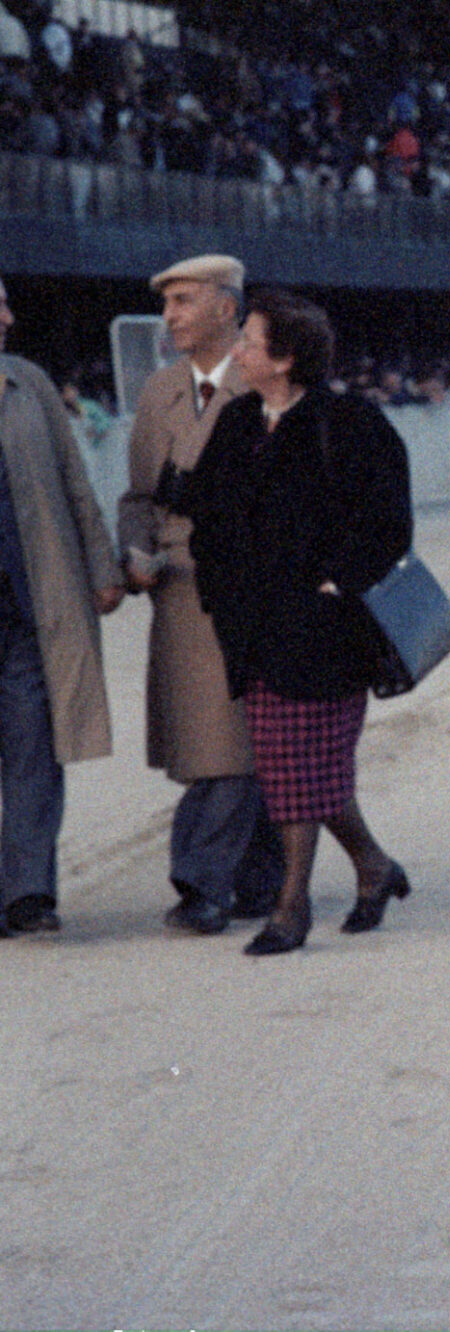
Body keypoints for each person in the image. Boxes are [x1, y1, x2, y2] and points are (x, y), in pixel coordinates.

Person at [171, 287, 412, 957]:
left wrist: (335, 587)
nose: (240, 351)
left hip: (330, 636)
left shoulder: (352, 424)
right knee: (300, 771)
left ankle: (291, 906)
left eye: (249, 341)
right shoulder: (239, 422)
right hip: (253, 632)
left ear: (283, 358)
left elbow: (390, 523)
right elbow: (208, 513)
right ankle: (374, 868)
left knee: (298, 771)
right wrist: (218, 584)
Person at [118, 253, 285, 936]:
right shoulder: (159, 392)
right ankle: (258, 878)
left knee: (231, 740)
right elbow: (136, 496)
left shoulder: (269, 386)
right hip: (178, 588)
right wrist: (132, 552)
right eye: (167, 303)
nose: (170, 316)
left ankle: (203, 880)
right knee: (217, 740)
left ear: (226, 306)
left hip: (251, 586)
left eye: (184, 301)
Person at [0, 276, 124, 937]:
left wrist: (102, 566)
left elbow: (76, 483)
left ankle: (26, 894)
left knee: (31, 748)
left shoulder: (31, 385)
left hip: (31, 598)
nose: (9, 316)